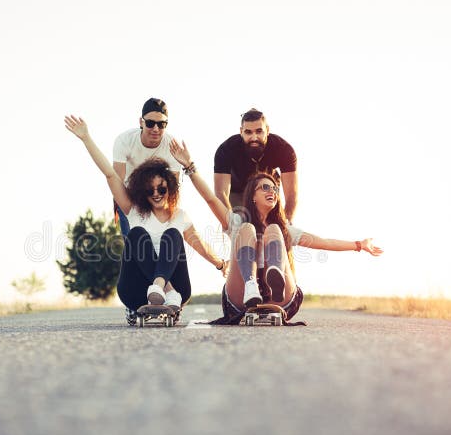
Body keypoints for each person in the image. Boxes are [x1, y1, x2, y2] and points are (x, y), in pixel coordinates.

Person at [172, 140, 383, 324]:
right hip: (241, 296)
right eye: (264, 187)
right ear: (252, 196)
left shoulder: (285, 230)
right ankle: (251, 283)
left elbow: (325, 242)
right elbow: (211, 198)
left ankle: (275, 276)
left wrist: (359, 245)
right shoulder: (236, 222)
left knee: (275, 230)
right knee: (246, 228)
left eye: (274, 188)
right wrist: (190, 167)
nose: (271, 191)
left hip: (279, 298)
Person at [64, 115, 227, 324]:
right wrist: (86, 138)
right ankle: (163, 290)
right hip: (136, 291)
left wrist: (222, 265)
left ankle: (164, 289)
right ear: (142, 191)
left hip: (180, 289)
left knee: (173, 234)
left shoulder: (180, 216)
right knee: (136, 234)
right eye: (150, 190)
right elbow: (110, 175)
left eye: (162, 188)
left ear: (170, 188)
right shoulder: (134, 210)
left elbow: (200, 245)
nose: (156, 193)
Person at [214, 108, 299, 222]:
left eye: (259, 131)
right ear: (241, 131)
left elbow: (291, 195)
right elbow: (221, 193)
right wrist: (231, 223)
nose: (254, 138)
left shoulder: (284, 149)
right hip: (238, 191)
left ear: (267, 130)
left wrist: (287, 222)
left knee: (275, 225)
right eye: (248, 132)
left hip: (267, 187)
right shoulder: (226, 150)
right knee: (242, 225)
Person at [113, 98, 183, 235]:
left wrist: (169, 220)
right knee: (133, 243)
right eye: (150, 123)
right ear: (141, 122)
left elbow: (172, 191)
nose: (156, 129)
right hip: (130, 194)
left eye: (161, 124)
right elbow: (117, 182)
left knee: (161, 241)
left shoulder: (172, 146)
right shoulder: (124, 140)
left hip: (157, 197)